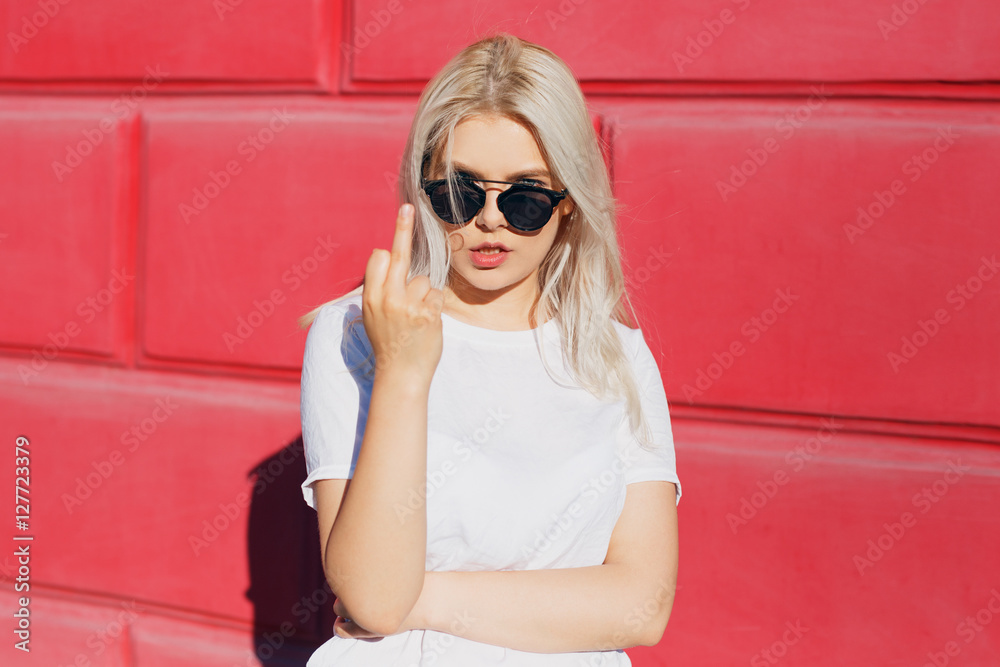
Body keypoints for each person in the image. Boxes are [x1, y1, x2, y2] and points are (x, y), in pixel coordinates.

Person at [296, 31, 681, 666]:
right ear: (423, 190)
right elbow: (370, 594)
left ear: (569, 206)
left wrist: (421, 600)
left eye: (526, 197)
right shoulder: (355, 334)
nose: (490, 220)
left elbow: (642, 606)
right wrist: (403, 372)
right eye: (461, 192)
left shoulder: (615, 358)